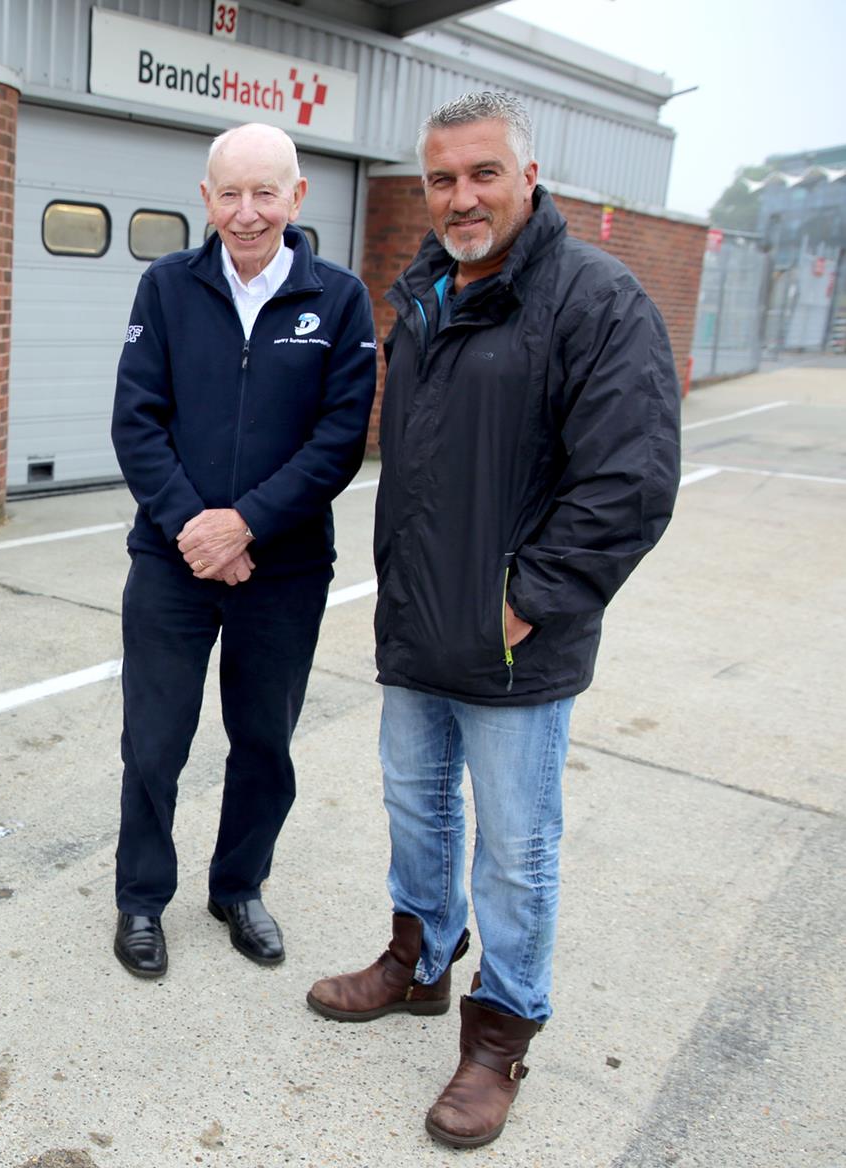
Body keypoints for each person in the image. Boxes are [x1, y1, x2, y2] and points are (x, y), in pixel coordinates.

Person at [304, 91, 681, 1148]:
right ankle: (419, 964)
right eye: (441, 179)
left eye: (481, 173)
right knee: (416, 809)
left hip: (516, 644)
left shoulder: (596, 300)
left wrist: (524, 604)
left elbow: (629, 484)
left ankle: (498, 1036)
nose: (460, 196)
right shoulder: (423, 294)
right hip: (418, 625)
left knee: (517, 849)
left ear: (528, 175)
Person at [110, 123, 378, 979]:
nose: (247, 212)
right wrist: (196, 527)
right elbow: (136, 420)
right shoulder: (166, 287)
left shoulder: (339, 300)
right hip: (170, 559)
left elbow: (338, 440)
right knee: (153, 742)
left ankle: (239, 887)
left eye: (265, 193)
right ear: (205, 199)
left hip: (283, 567)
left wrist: (247, 524)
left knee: (262, 742)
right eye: (229, 193)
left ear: (297, 198)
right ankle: (141, 900)